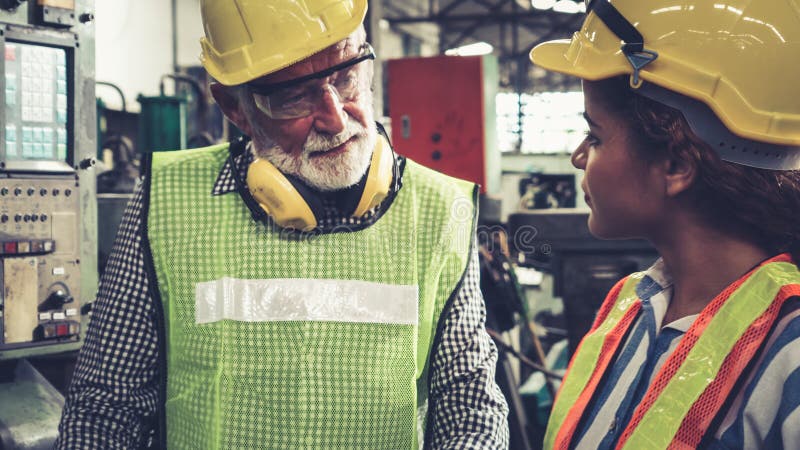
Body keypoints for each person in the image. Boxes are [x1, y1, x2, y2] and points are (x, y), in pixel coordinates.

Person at [56, 0, 509, 448]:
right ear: (235, 108)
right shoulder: (168, 201)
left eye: (347, 76)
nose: (335, 118)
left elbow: (469, 403)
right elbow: (105, 407)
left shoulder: (440, 208)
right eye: (294, 95)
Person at [530, 0, 800, 448]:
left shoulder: (790, 352)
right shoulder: (628, 307)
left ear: (675, 163)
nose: (579, 156)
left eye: (594, 136)